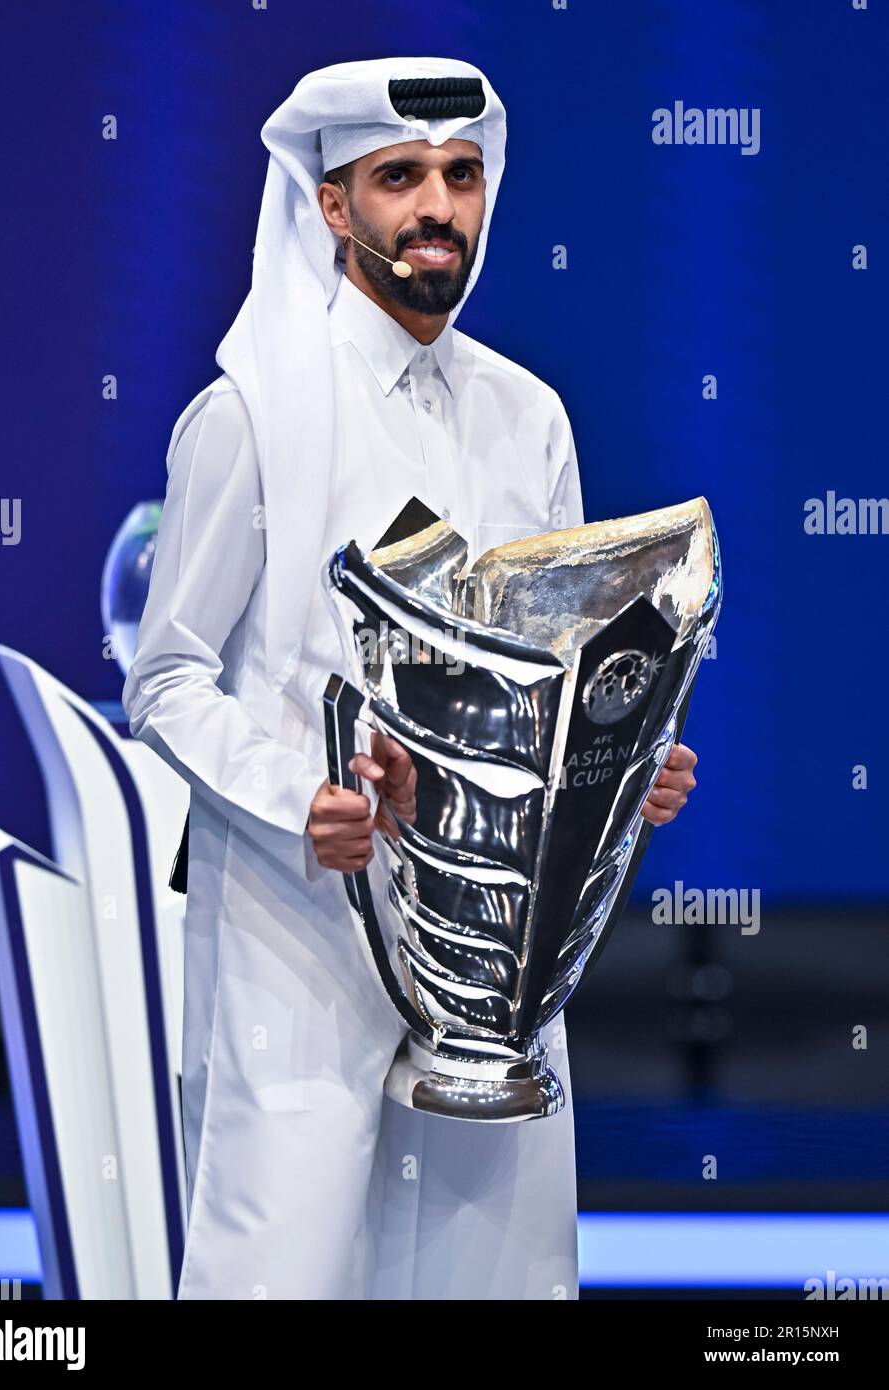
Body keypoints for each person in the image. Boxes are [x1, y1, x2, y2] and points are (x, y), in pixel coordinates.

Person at [122, 56, 698, 1301]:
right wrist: (299, 798)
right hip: (297, 933)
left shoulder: (530, 414)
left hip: (500, 951)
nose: (436, 206)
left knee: (492, 1285)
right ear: (333, 207)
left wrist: (625, 761)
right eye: (399, 178)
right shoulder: (248, 416)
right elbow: (164, 676)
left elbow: (559, 674)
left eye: (461, 175)